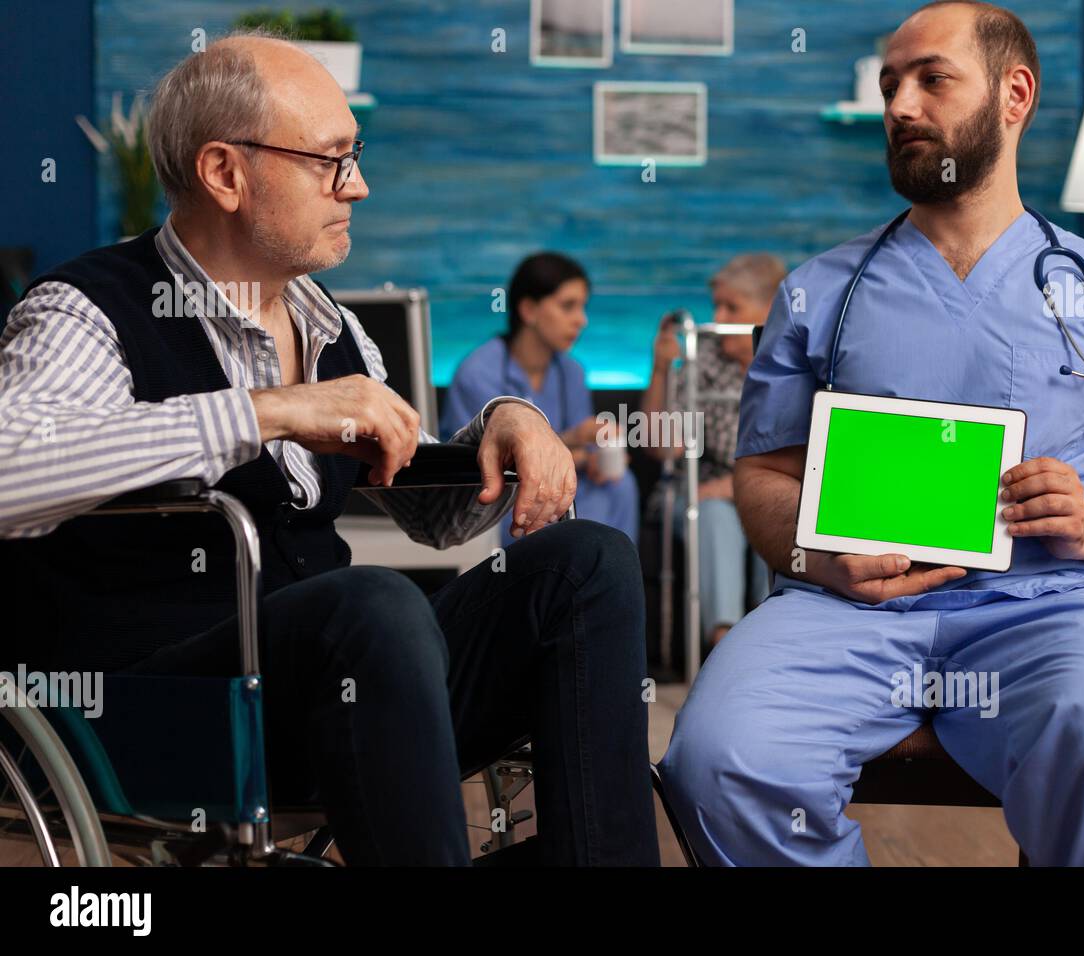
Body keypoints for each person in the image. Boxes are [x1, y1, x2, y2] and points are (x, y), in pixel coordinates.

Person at [0, 31, 658, 867]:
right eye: (332, 159)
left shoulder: (331, 327)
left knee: (589, 561)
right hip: (146, 713)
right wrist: (267, 410)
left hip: (328, 693)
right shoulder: (83, 310)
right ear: (225, 173)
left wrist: (499, 425)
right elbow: (11, 467)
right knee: (371, 602)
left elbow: (433, 513)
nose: (360, 184)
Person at [660, 0, 1084, 866]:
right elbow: (764, 474)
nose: (899, 105)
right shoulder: (819, 292)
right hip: (840, 611)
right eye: (890, 85)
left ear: (1014, 94)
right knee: (717, 760)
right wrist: (817, 559)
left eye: (932, 79)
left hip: (1047, 606)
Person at [441, 252, 640, 545]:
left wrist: (596, 459)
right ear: (529, 310)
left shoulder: (571, 371)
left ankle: (613, 582)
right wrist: (573, 438)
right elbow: (477, 468)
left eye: (583, 307)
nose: (581, 320)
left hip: (559, 489)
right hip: (500, 497)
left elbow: (577, 456)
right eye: (568, 306)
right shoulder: (478, 373)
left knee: (621, 485)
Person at [641, 254, 786, 648]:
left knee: (771, 507)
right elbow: (663, 446)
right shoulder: (704, 356)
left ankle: (769, 641)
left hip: (766, 486)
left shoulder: (796, 362)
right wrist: (660, 371)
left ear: (769, 309)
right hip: (700, 494)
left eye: (731, 307)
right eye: (717, 306)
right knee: (715, 514)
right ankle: (726, 643)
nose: (718, 317)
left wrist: (737, 487)